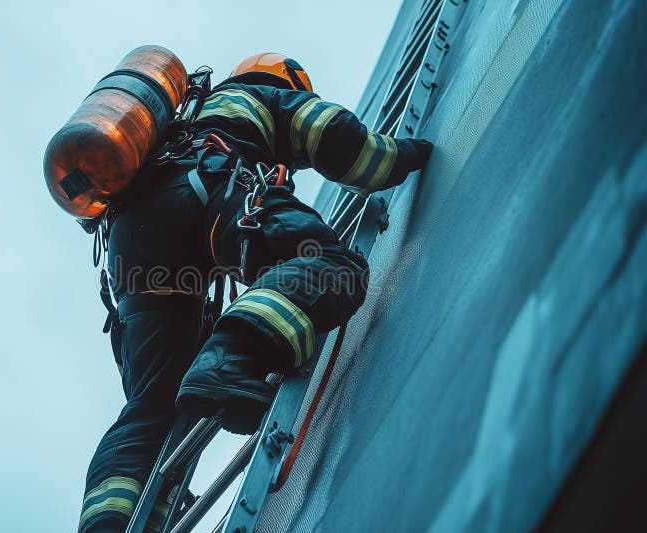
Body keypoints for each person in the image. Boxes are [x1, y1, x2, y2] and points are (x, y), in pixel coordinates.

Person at [79, 52, 433, 533]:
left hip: (132, 245)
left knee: (152, 406)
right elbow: (335, 137)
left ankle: (113, 521)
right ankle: (232, 358)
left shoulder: (177, 126)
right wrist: (405, 155)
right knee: (332, 265)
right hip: (205, 186)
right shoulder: (262, 95)